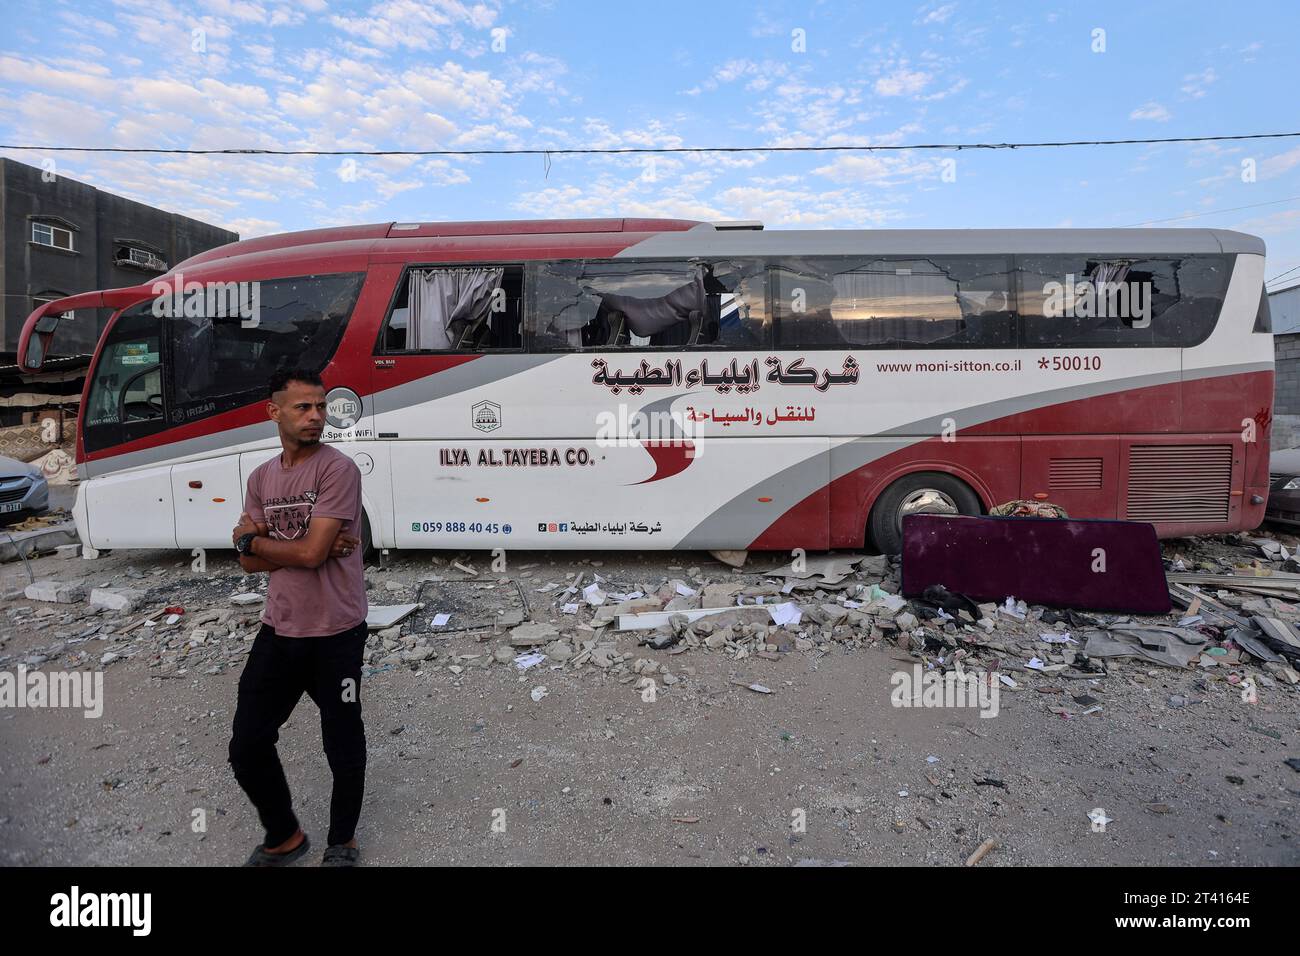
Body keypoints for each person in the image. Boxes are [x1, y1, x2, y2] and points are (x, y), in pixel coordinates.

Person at [228, 367, 369, 867]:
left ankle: (342, 841)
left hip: (337, 633)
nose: (316, 416)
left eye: (321, 407)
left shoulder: (338, 470)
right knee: (247, 743)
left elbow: (305, 554)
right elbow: (251, 563)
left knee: (342, 738)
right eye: (303, 407)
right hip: (280, 629)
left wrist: (254, 541)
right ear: (274, 412)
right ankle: (285, 836)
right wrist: (280, 548)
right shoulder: (261, 478)